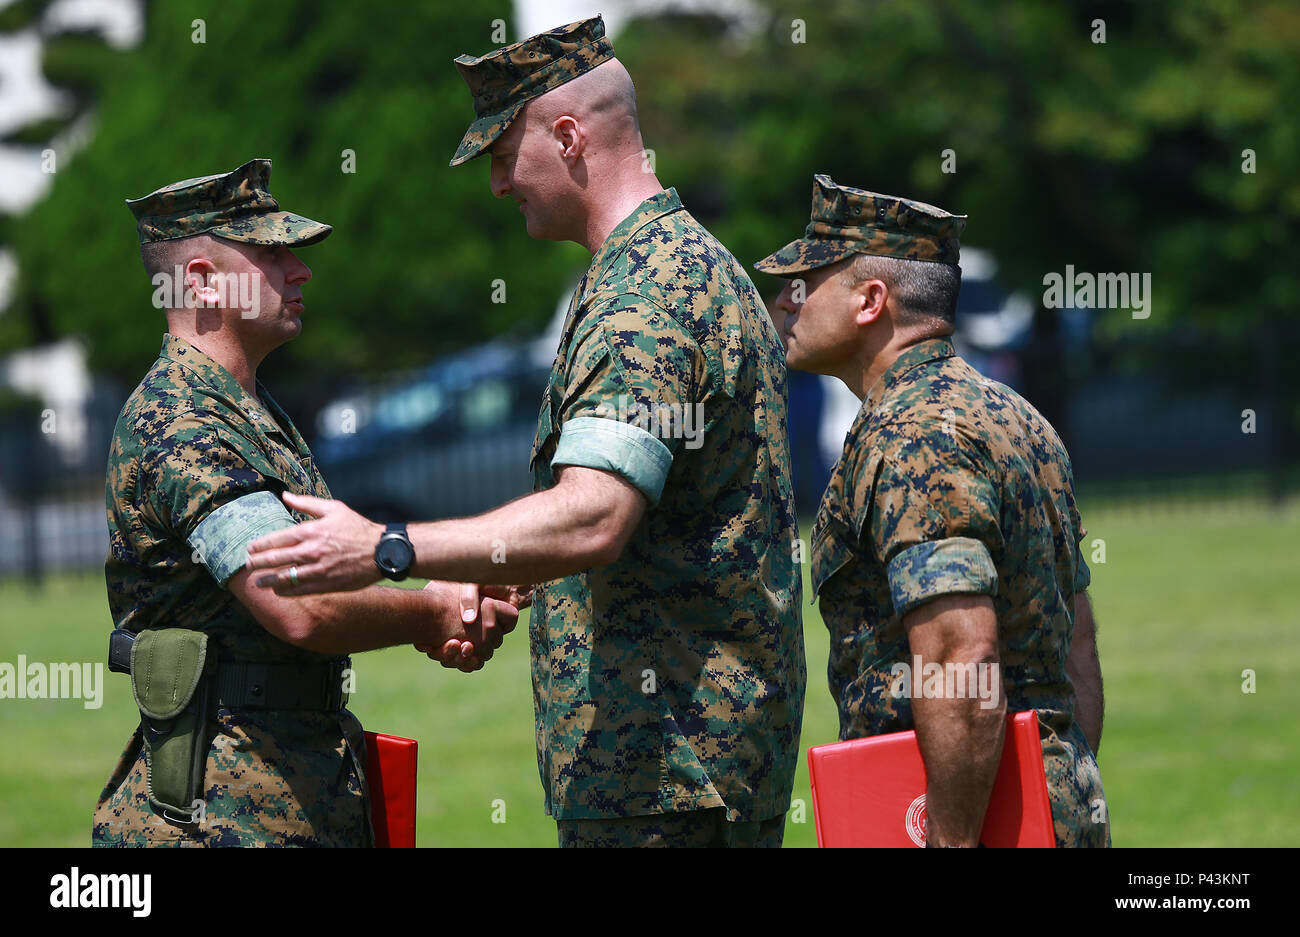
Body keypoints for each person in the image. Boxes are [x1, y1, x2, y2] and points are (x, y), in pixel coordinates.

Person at [244, 17, 806, 848]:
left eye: (505, 156)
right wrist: (510, 573)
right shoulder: (687, 264)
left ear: (570, 137)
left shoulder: (643, 294)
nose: (500, 185)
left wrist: (386, 548)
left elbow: (595, 515)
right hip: (692, 766)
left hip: (665, 776)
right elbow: (668, 520)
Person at [95, 158, 521, 847]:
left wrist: (458, 576)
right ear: (201, 280)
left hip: (287, 793)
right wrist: (434, 608)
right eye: (272, 253)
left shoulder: (249, 410)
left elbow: (333, 565)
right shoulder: (183, 420)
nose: (301, 271)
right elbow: (297, 601)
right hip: (218, 816)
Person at [753, 174, 1108, 847]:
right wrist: (1059, 788)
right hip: (1038, 809)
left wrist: (949, 839)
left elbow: (959, 653)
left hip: (955, 819)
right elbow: (1078, 643)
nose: (783, 303)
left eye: (804, 285)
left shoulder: (915, 434)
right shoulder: (1014, 415)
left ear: (871, 300)